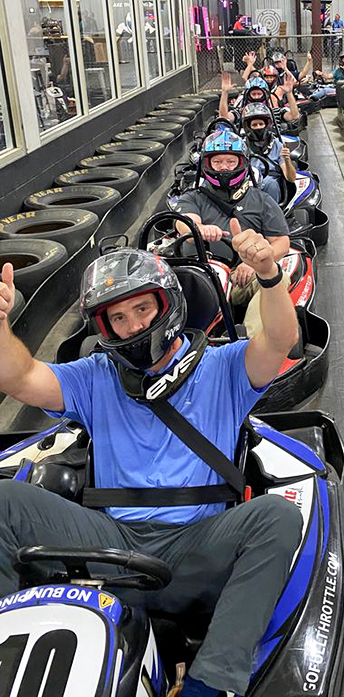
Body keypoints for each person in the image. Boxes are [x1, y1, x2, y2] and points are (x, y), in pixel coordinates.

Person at [0, 235, 301, 697]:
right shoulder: (95, 376)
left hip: (195, 545)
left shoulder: (222, 368)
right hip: (113, 542)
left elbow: (281, 339)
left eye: (141, 309)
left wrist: (268, 275)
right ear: (103, 328)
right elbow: (20, 378)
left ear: (167, 305)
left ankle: (209, 684)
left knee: (277, 517)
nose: (131, 326)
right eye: (117, 318)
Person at [175, 129, 291, 334]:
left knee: (277, 277)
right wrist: (199, 230)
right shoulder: (192, 198)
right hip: (199, 278)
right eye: (217, 162)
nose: (224, 168)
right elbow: (184, 224)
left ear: (242, 164)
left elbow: (282, 242)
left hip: (240, 277)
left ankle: (254, 341)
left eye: (230, 162)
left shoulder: (261, 200)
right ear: (206, 165)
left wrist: (255, 264)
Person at [242, 103, 296, 203]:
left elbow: (291, 178)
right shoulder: (243, 146)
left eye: (261, 124)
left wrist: (288, 160)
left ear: (267, 125)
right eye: (254, 125)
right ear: (248, 127)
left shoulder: (277, 145)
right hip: (250, 182)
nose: (258, 127)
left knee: (270, 184)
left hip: (272, 183)